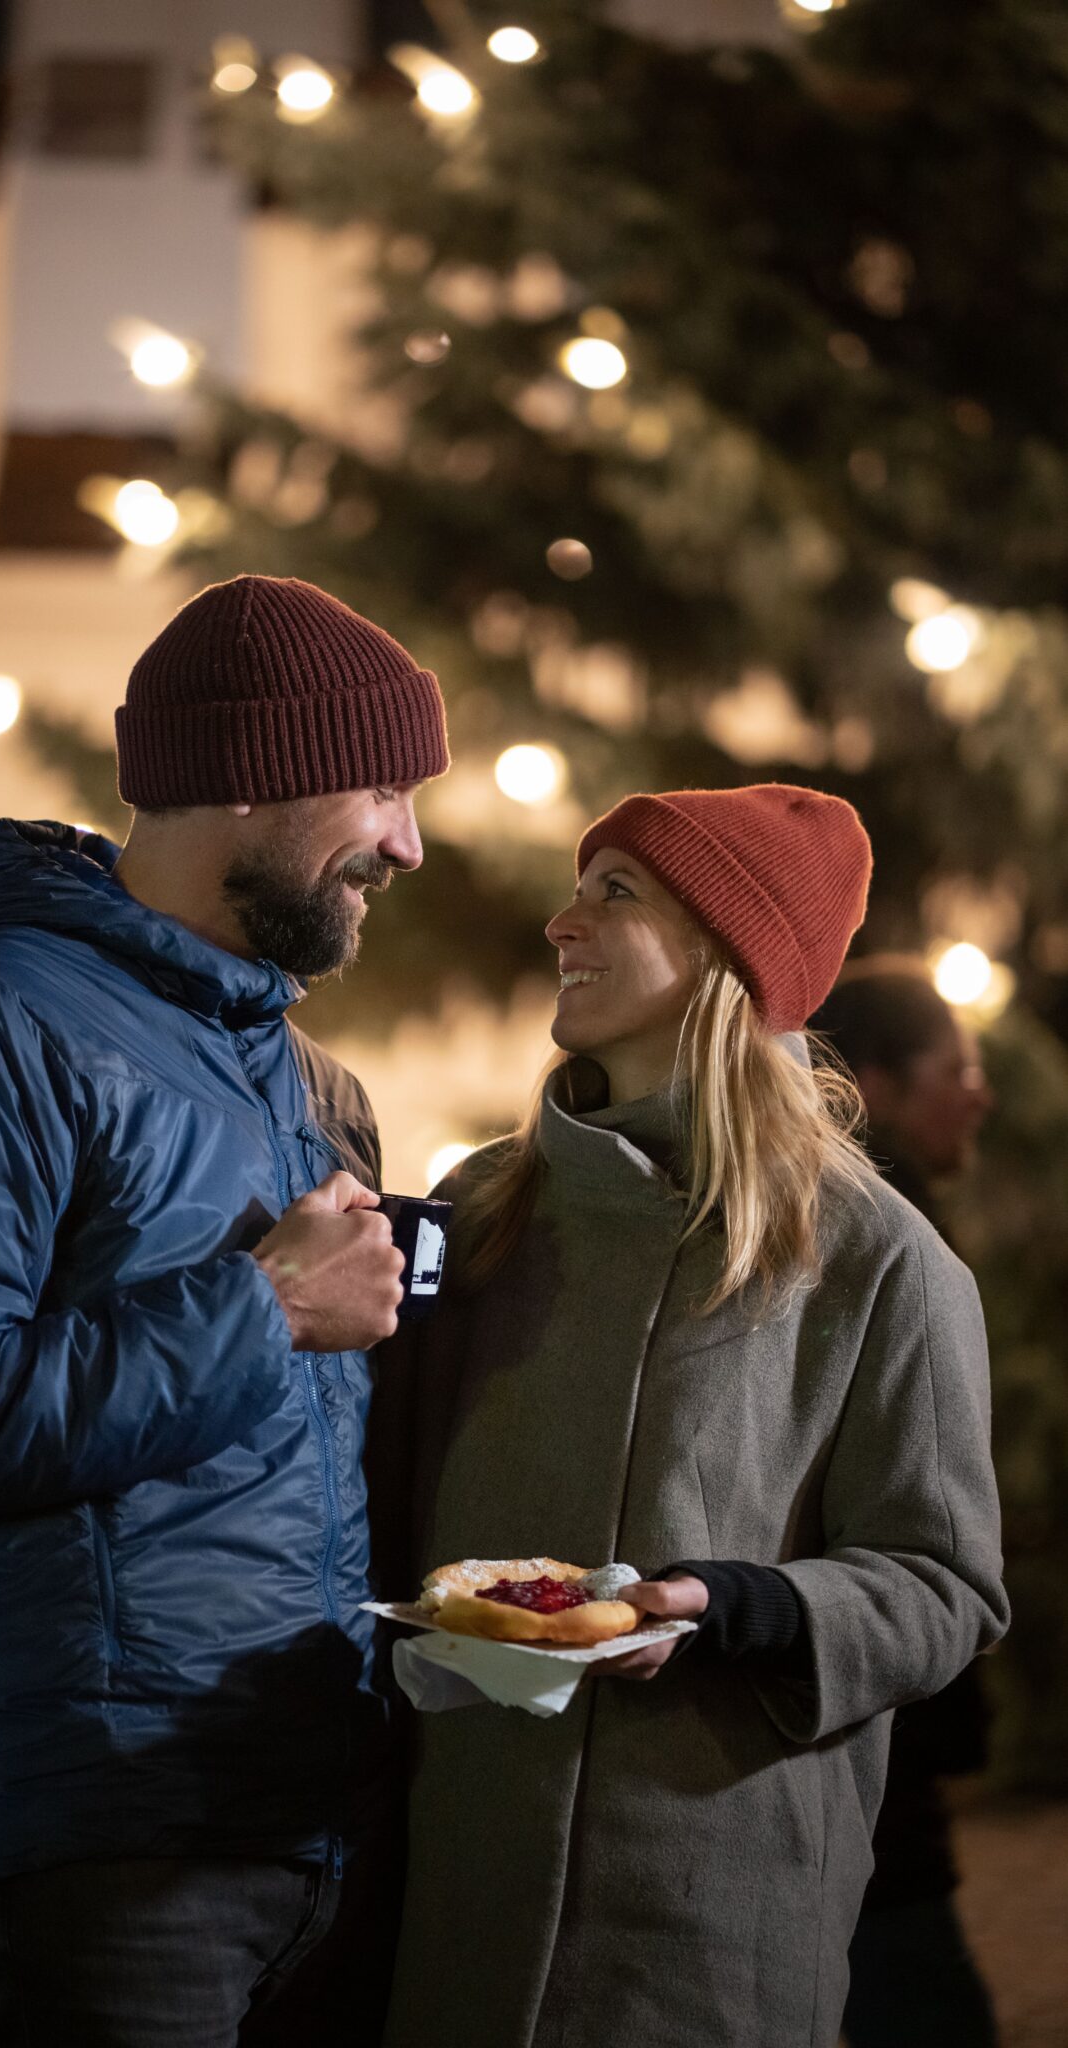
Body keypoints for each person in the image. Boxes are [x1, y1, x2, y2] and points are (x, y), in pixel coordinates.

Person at [0, 574, 449, 2048]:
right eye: (383, 786)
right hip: (106, 1832)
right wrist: (262, 1308)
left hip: (311, 1808)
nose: (409, 841)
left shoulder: (306, 1084)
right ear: (249, 776)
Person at [375, 784, 1009, 2048]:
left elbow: (948, 1587)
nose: (563, 921)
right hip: (462, 1904)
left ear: (730, 950)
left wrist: (740, 1609)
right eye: (579, 885)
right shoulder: (479, 1209)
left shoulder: (883, 1263)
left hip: (709, 1916)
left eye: (617, 892)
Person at [812, 960, 999, 2048]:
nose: (976, 1089)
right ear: (875, 1080)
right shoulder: (885, 1234)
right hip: (875, 1677)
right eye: (954, 1065)